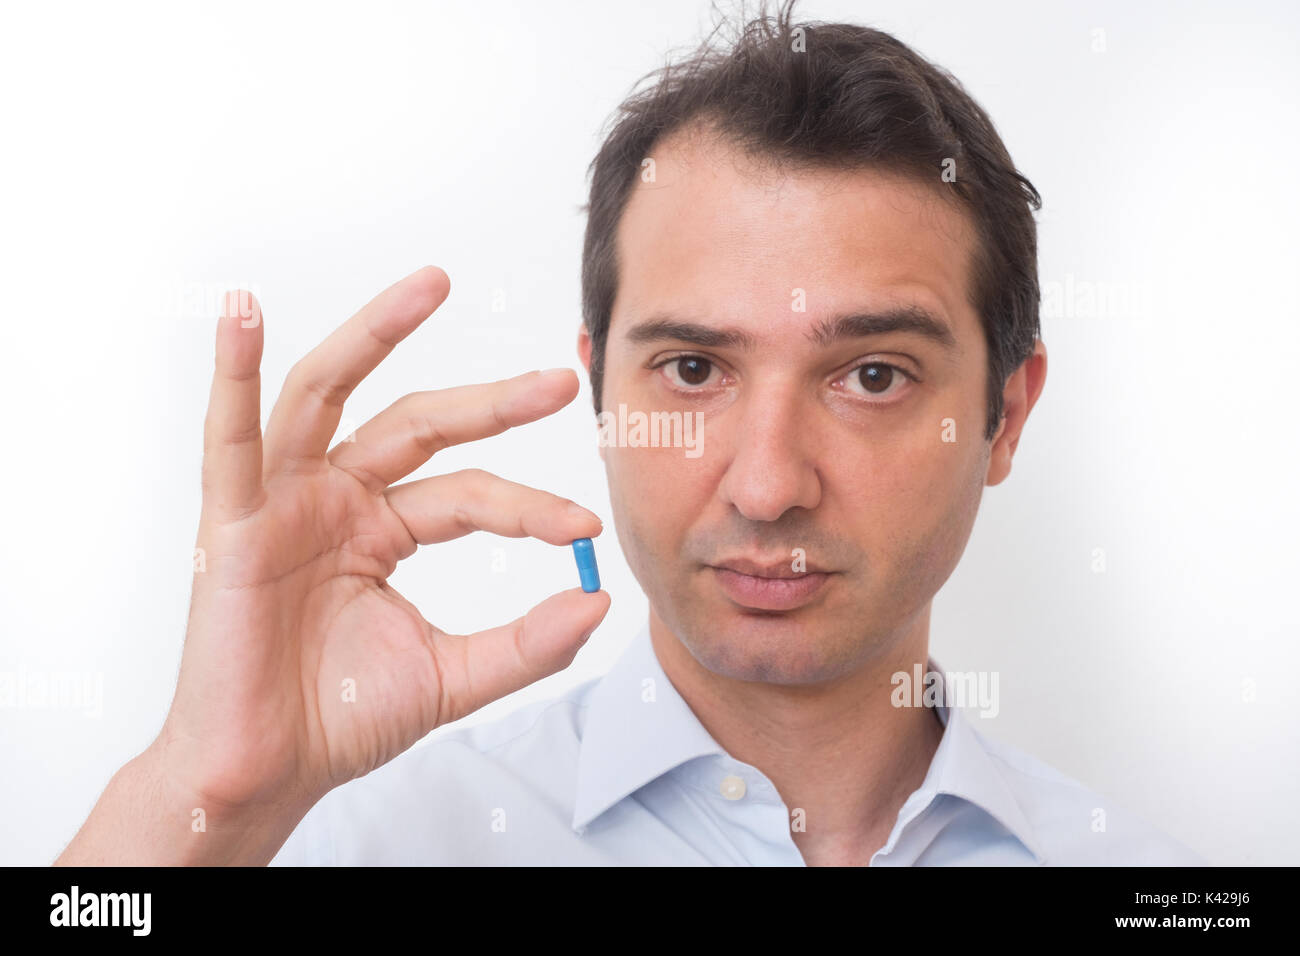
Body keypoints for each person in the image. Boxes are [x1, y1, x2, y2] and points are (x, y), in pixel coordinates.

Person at [54, 0, 1203, 866]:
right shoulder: (381, 843)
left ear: (1004, 414)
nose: (765, 485)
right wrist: (199, 789)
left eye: (869, 374)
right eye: (694, 368)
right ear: (599, 389)